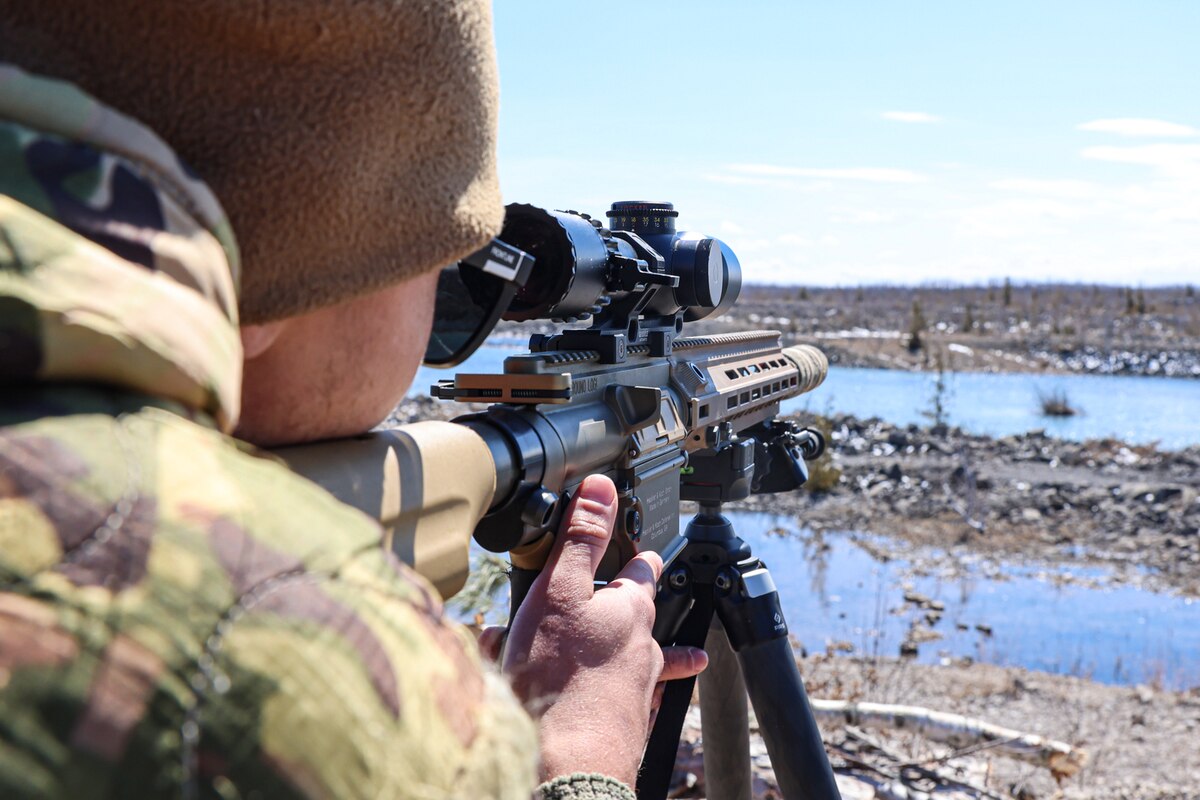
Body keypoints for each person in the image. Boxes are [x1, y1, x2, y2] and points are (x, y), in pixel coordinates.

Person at [0, 1, 705, 797]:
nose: (443, 311)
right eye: (447, 272)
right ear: (274, 277)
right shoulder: (279, 639)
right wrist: (577, 756)